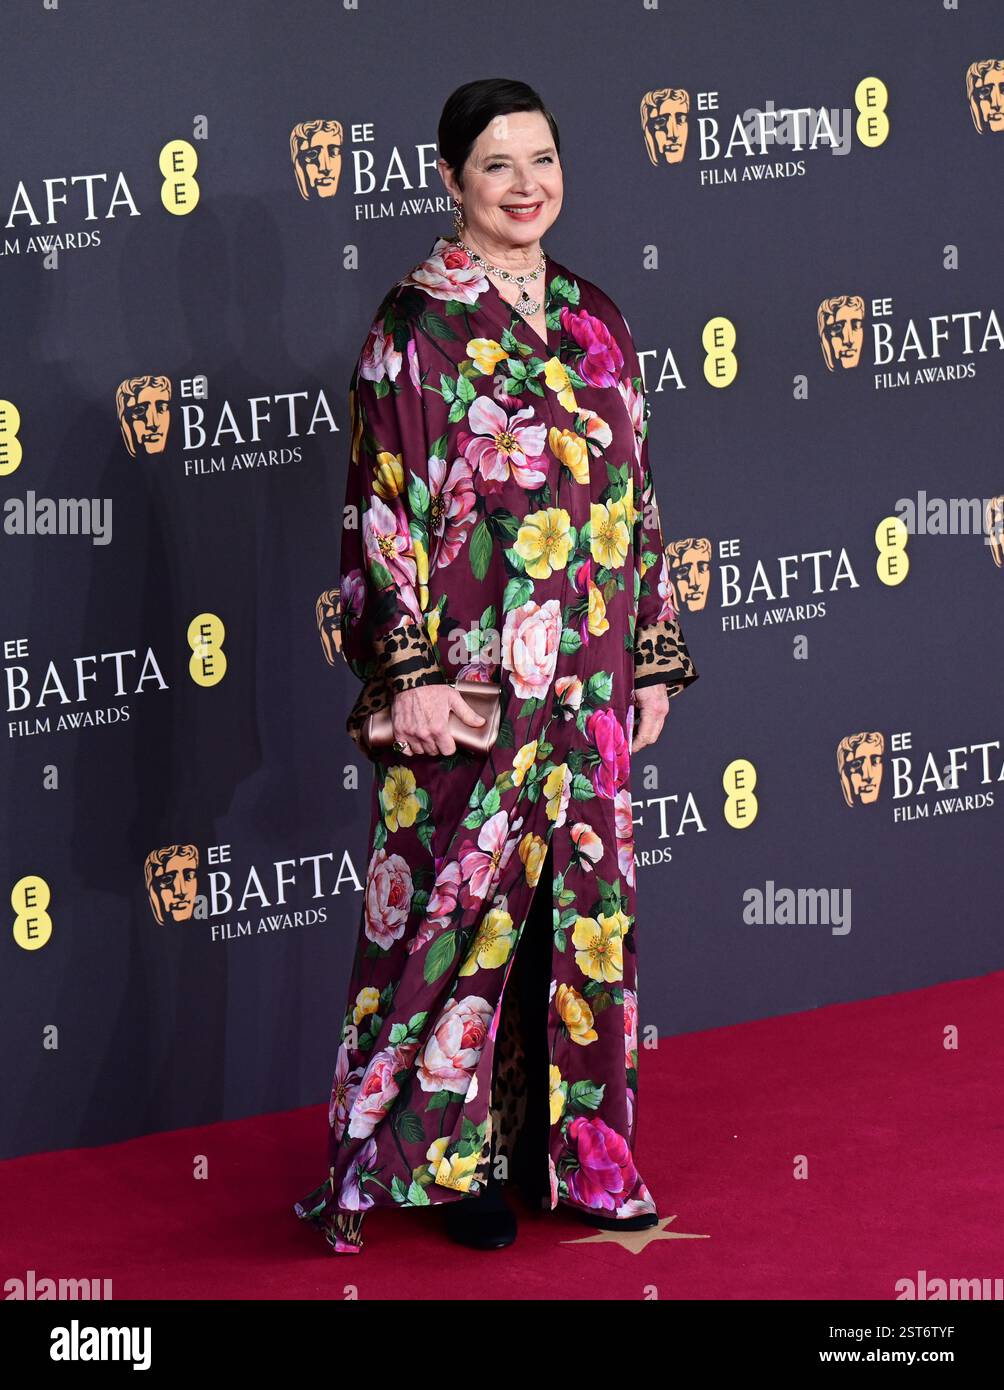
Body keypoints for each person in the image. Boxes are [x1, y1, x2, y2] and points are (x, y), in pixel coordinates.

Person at [293, 77, 699, 1256]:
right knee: (457, 914)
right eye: (496, 167)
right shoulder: (412, 326)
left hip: (586, 683)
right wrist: (407, 671)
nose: (525, 188)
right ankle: (441, 1159)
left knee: (579, 919)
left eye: (541, 162)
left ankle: (566, 1150)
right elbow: (383, 509)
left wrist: (652, 655)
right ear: (449, 184)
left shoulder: (597, 316)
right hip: (470, 685)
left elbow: (638, 494)